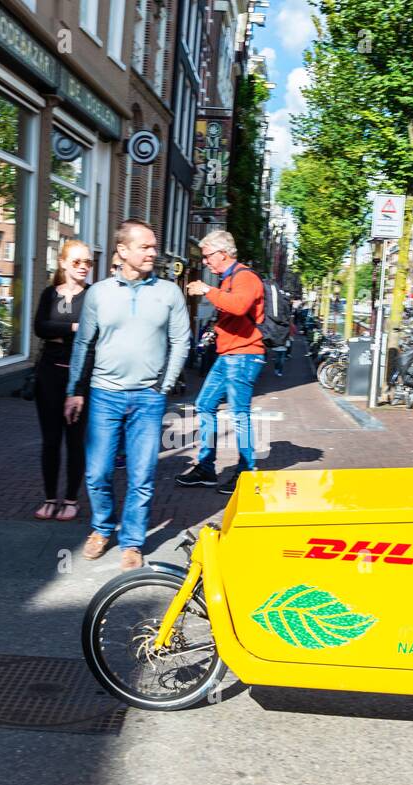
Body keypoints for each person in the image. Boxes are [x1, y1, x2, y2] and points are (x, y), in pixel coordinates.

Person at [64, 220, 189, 570]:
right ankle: (102, 528)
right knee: (98, 471)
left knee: (142, 473)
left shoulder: (169, 293)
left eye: (154, 246)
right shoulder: (99, 293)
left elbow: (182, 341)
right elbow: (83, 343)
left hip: (148, 398)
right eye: (145, 246)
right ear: (122, 251)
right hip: (104, 394)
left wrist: (165, 385)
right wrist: (74, 390)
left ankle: (132, 541)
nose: (153, 252)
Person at [176, 230, 266, 494]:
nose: (205, 262)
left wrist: (207, 290)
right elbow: (233, 313)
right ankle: (206, 467)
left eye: (207, 257)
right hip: (229, 354)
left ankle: (246, 473)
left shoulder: (246, 277)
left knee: (240, 414)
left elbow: (238, 306)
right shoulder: (228, 279)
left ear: (222, 254)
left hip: (245, 355)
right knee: (204, 405)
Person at [33, 240, 92, 521]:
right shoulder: (49, 294)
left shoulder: (92, 297)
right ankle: (48, 498)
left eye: (88, 263)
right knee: (50, 440)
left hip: (79, 376)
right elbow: (39, 328)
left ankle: (70, 499)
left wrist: (58, 333)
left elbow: (92, 337)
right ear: (63, 262)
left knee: (75, 440)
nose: (84, 268)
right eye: (78, 262)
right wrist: (73, 327)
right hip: (49, 374)